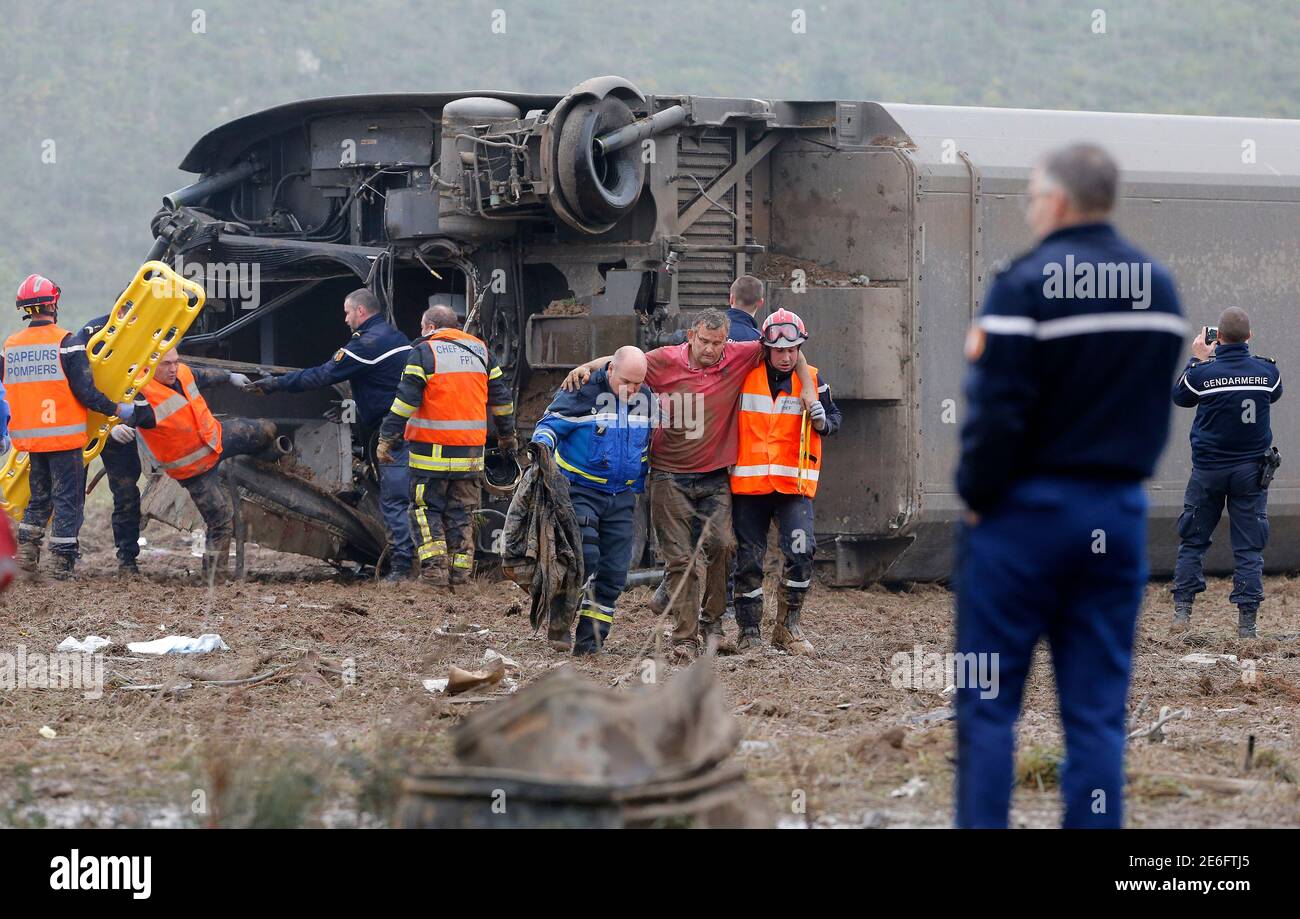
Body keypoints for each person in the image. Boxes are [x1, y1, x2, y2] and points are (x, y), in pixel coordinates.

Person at [954, 143, 1186, 828]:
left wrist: (976, 495)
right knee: (1096, 716)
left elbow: (995, 415)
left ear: (1055, 201)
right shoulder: (1160, 290)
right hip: (1115, 516)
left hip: (1021, 518)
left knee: (988, 705)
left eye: (1032, 198)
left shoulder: (1022, 286)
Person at [564, 308, 816, 660]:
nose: (711, 349)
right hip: (669, 475)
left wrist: (808, 388)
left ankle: (712, 624)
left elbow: (789, 348)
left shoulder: (738, 355)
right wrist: (589, 366)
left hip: (715, 475)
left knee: (725, 546)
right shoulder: (665, 361)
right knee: (680, 560)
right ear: (691, 336)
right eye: (705, 341)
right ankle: (685, 638)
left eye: (718, 342)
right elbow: (625, 360)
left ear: (726, 341)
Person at [74, 297, 254, 576]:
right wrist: (109, 424)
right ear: (120, 310)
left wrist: (228, 376)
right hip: (92, 424)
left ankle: (127, 562)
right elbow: (78, 387)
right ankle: (66, 556)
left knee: (126, 495)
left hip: (128, 422)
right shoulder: (92, 335)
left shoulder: (149, 336)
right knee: (72, 494)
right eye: (133, 315)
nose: (138, 323)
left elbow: (180, 376)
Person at [249, 289, 415, 580]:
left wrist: (276, 384)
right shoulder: (397, 338)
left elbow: (322, 375)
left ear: (361, 312)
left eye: (348, 312)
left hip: (391, 431)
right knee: (413, 498)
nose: (345, 318)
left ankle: (402, 567)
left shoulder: (366, 345)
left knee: (394, 498)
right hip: (407, 426)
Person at [2, 274, 135, 579]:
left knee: (39, 499)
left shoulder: (11, 346)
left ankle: (26, 556)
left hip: (32, 442)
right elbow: (86, 393)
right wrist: (118, 410)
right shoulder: (68, 343)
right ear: (53, 303)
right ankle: (61, 565)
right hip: (64, 439)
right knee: (67, 501)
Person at [377, 305, 516, 586]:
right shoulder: (482, 352)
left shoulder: (424, 352)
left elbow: (405, 402)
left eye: (421, 327)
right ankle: (461, 577)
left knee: (425, 511)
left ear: (430, 326)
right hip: (470, 456)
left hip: (430, 454)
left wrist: (386, 438)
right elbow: (502, 401)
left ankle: (434, 575)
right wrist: (506, 436)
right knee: (462, 514)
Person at [730, 309, 841, 654]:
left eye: (793, 350)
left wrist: (824, 421)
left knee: (801, 550)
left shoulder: (813, 380)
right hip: (749, 488)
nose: (786, 356)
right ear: (766, 348)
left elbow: (835, 419)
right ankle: (749, 631)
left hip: (793, 487)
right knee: (748, 559)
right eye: (780, 351)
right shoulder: (744, 376)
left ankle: (788, 627)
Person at [531, 346, 653, 654]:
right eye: (627, 382)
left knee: (614, 573)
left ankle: (590, 643)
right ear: (610, 369)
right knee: (584, 558)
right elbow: (549, 425)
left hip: (621, 497)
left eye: (639, 384)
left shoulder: (646, 400)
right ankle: (560, 617)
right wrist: (541, 450)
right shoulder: (582, 391)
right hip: (580, 490)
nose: (633, 390)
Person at [1170, 308, 1282, 637]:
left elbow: (1180, 396)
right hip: (1250, 473)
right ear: (1249, 337)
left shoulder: (1202, 375)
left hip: (1208, 473)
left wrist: (1198, 359)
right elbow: (1274, 393)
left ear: (1216, 338)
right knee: (1248, 548)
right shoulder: (1267, 372)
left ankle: (1182, 615)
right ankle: (1247, 626)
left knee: (1193, 541)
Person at [121, 347, 276, 582]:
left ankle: (277, 466)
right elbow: (123, 412)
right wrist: (116, 426)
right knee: (221, 519)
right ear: (150, 365)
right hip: (194, 470)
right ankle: (213, 579)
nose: (173, 368)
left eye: (175, 362)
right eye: (166, 364)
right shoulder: (141, 395)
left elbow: (204, 376)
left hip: (216, 439)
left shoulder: (182, 373)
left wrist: (229, 375)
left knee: (266, 430)